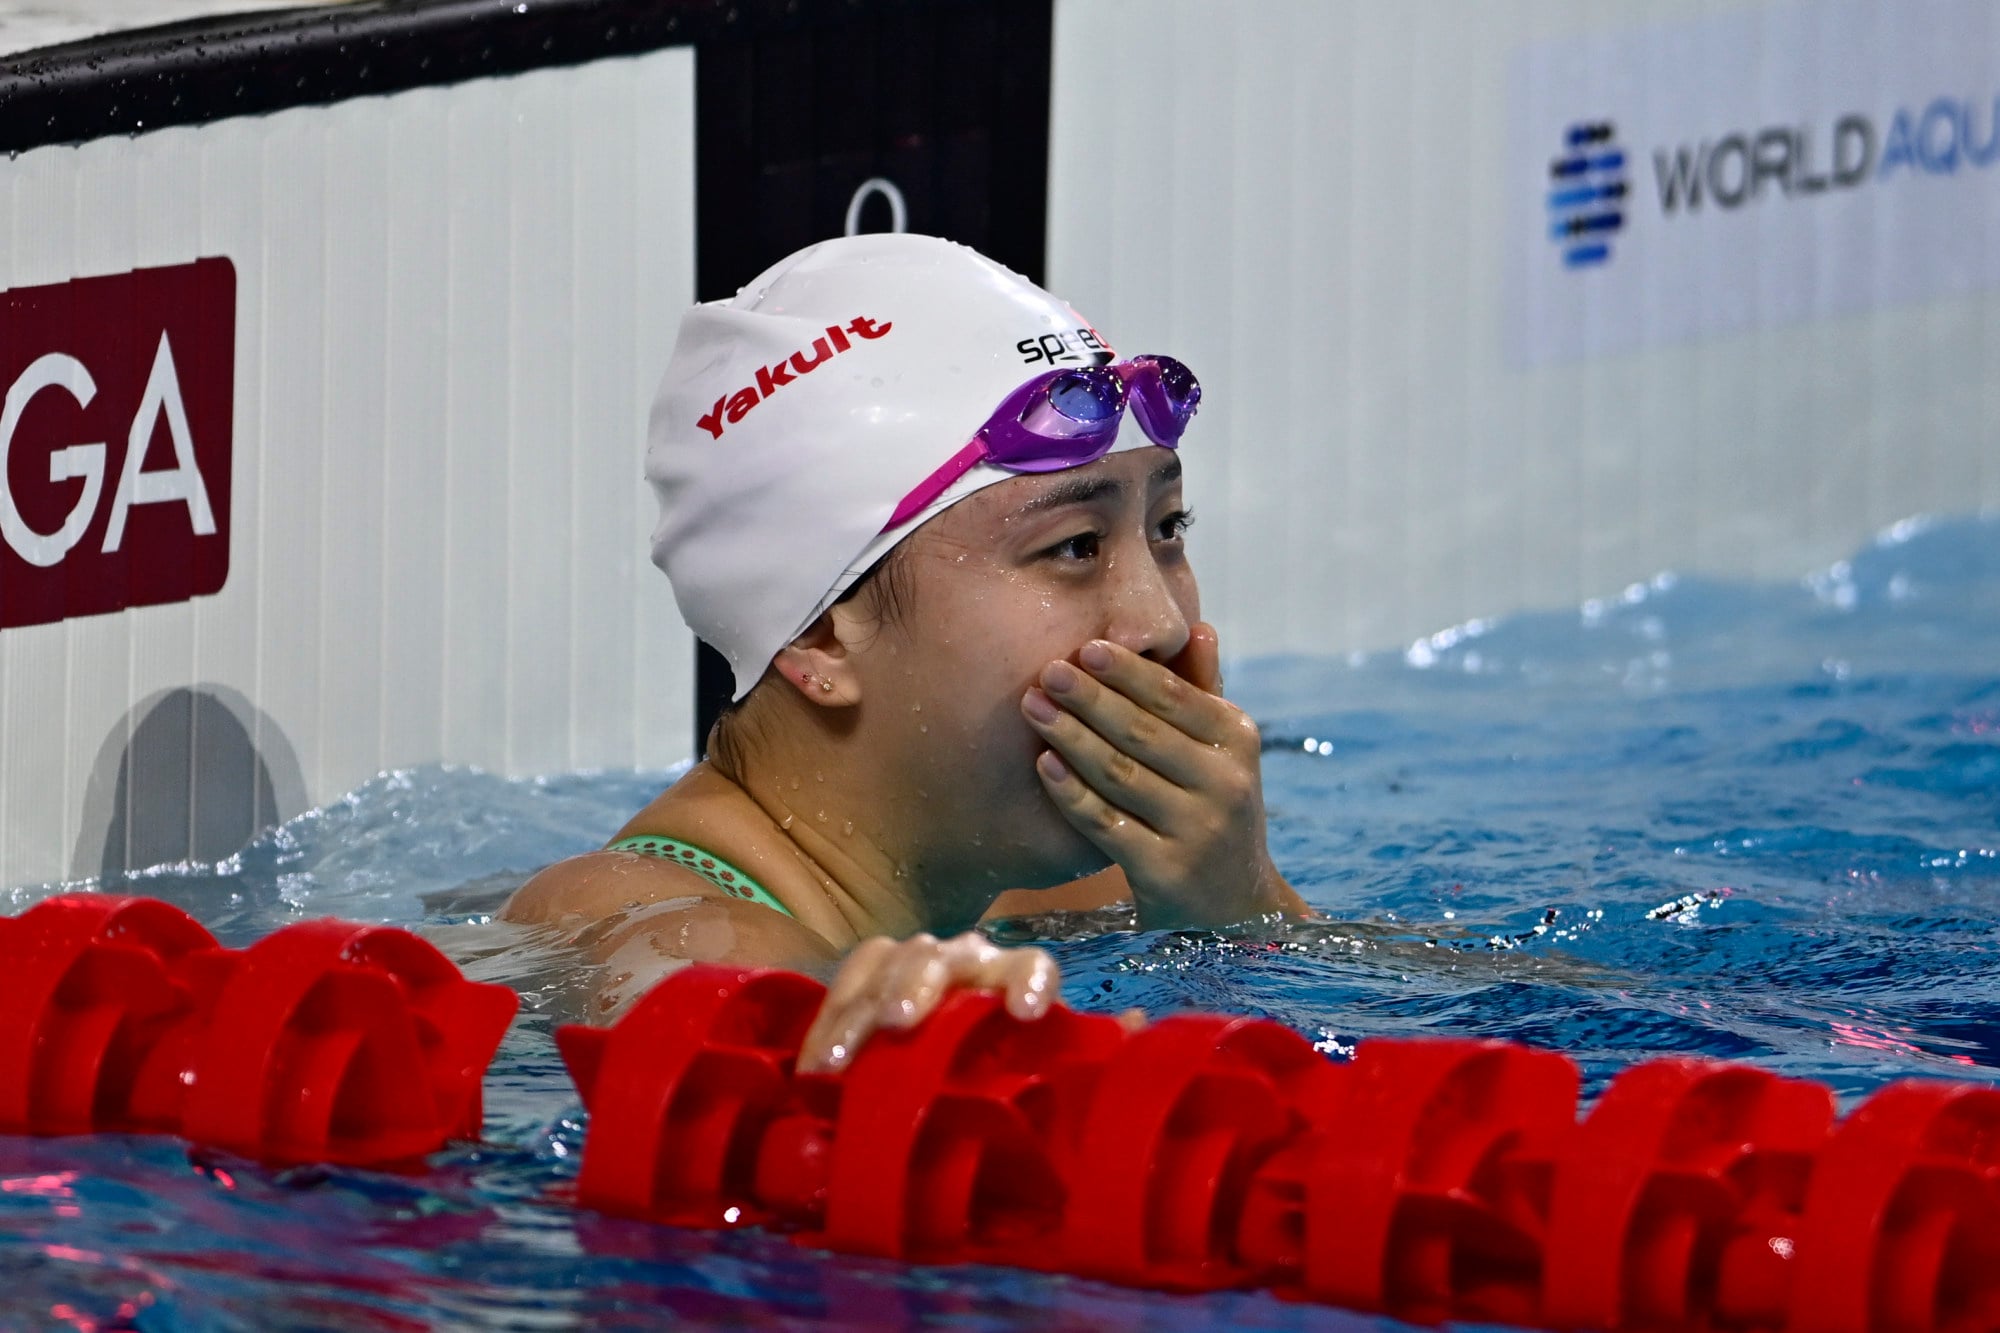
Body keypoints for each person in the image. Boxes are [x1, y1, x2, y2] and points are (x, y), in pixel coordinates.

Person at [504, 234, 1308, 1070]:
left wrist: (1240, 903)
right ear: (819, 631)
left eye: (1168, 528)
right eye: (1074, 545)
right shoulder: (637, 926)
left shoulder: (1063, 882)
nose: (1162, 623)